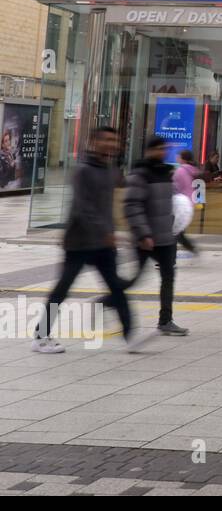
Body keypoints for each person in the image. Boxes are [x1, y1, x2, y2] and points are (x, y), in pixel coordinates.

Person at [32, 126, 143, 354]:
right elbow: (83, 207)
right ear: (94, 142)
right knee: (62, 289)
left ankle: (130, 336)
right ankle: (41, 336)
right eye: (107, 140)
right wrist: (105, 230)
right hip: (80, 242)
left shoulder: (111, 169)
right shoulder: (82, 170)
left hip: (103, 243)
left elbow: (108, 204)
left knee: (116, 288)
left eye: (116, 140)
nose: (112, 144)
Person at [124, 135, 188, 337]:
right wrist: (143, 233)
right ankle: (108, 299)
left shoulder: (167, 173)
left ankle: (165, 320)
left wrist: (177, 223)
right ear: (149, 150)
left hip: (166, 237)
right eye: (158, 149)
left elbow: (175, 202)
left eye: (164, 149)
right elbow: (132, 206)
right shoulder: (139, 175)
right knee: (135, 278)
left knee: (168, 277)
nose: (162, 152)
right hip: (147, 238)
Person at [172, 149, 201, 258]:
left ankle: (170, 258)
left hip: (180, 204)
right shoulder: (194, 170)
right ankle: (191, 248)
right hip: (189, 204)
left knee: (175, 232)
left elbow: (174, 187)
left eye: (178, 157)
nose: (177, 158)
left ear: (182, 159)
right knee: (178, 231)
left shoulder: (180, 171)